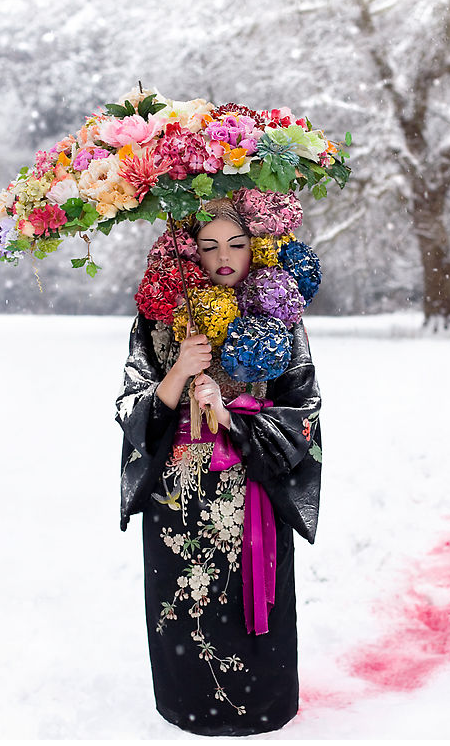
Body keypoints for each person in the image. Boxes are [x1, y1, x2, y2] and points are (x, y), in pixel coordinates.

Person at [116, 197, 322, 736]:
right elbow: (128, 406)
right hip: (177, 490)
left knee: (251, 604)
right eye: (209, 247)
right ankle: (186, 704)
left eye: (236, 243)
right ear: (191, 253)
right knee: (185, 601)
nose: (223, 257)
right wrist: (180, 371)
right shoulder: (161, 315)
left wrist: (231, 420)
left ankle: (264, 706)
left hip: (252, 481)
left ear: (258, 245)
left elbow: (303, 411)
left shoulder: (282, 314)